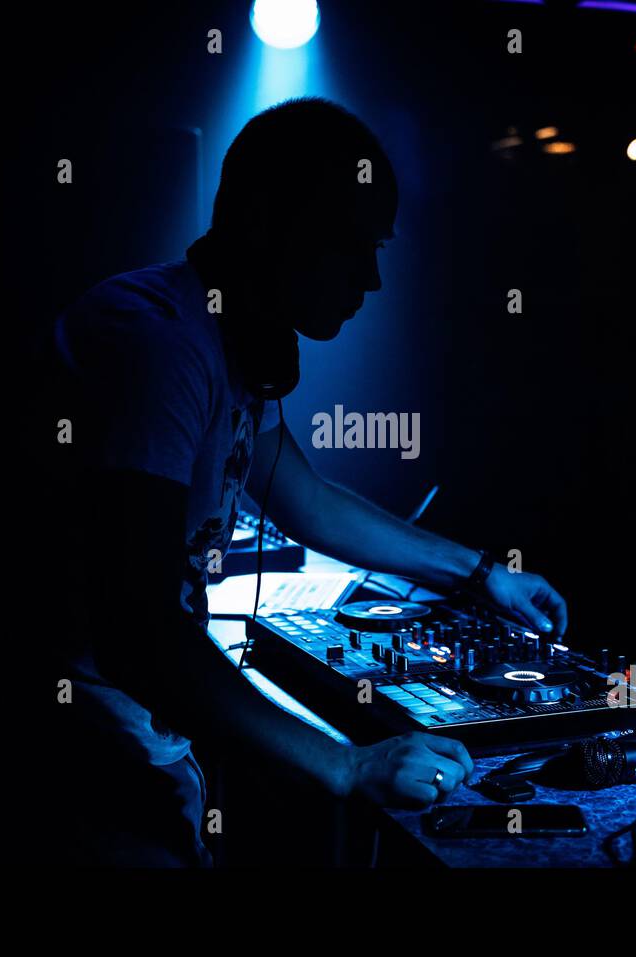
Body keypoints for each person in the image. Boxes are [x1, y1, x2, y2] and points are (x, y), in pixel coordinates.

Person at [53, 97, 569, 865]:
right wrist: (349, 764)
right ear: (265, 222)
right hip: (76, 763)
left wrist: (481, 571)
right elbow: (138, 630)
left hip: (134, 741)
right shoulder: (158, 345)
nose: (372, 279)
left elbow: (304, 496)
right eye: (351, 247)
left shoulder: (225, 343)